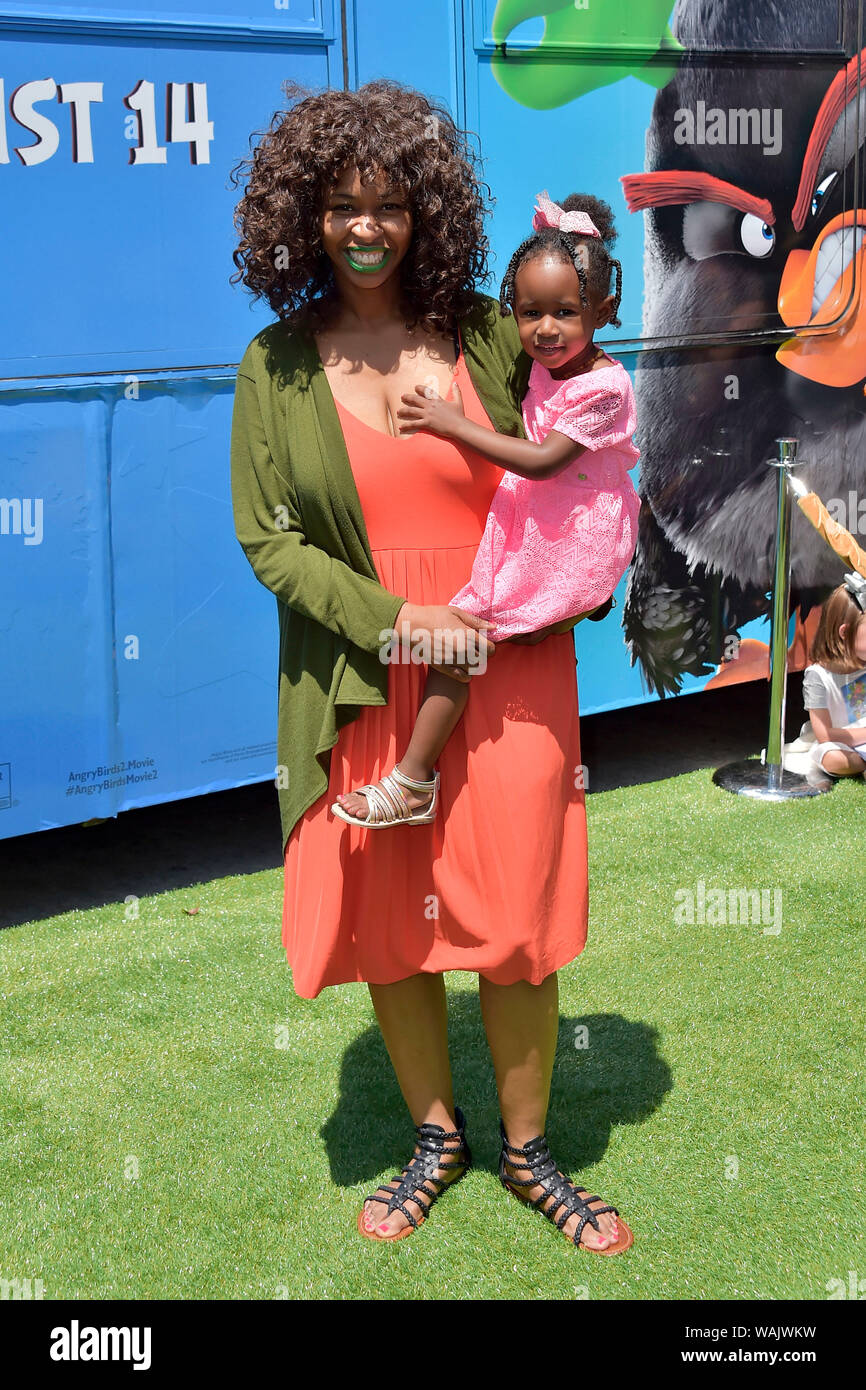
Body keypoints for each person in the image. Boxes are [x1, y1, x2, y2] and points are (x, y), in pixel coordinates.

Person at [229, 79, 633, 1253]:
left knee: (515, 919)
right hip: (376, 665)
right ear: (301, 216)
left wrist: (595, 557)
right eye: (342, 205)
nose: (366, 226)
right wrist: (402, 623)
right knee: (394, 929)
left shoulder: (491, 331)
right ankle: (434, 1135)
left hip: (505, 663)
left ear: (427, 212)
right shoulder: (276, 364)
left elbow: (591, 432)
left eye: (391, 203)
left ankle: (525, 1148)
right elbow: (269, 539)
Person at [332, 191, 639, 831]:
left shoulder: (605, 387)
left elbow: (540, 461)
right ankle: (415, 778)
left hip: (570, 538)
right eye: (530, 313)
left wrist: (449, 423)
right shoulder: (543, 363)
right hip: (537, 526)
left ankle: (412, 781)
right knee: (468, 639)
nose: (545, 329)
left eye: (565, 312)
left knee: (462, 638)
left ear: (604, 311)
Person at [798, 575, 866, 777]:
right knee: (832, 758)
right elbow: (825, 734)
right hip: (841, 743)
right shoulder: (817, 677)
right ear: (844, 632)